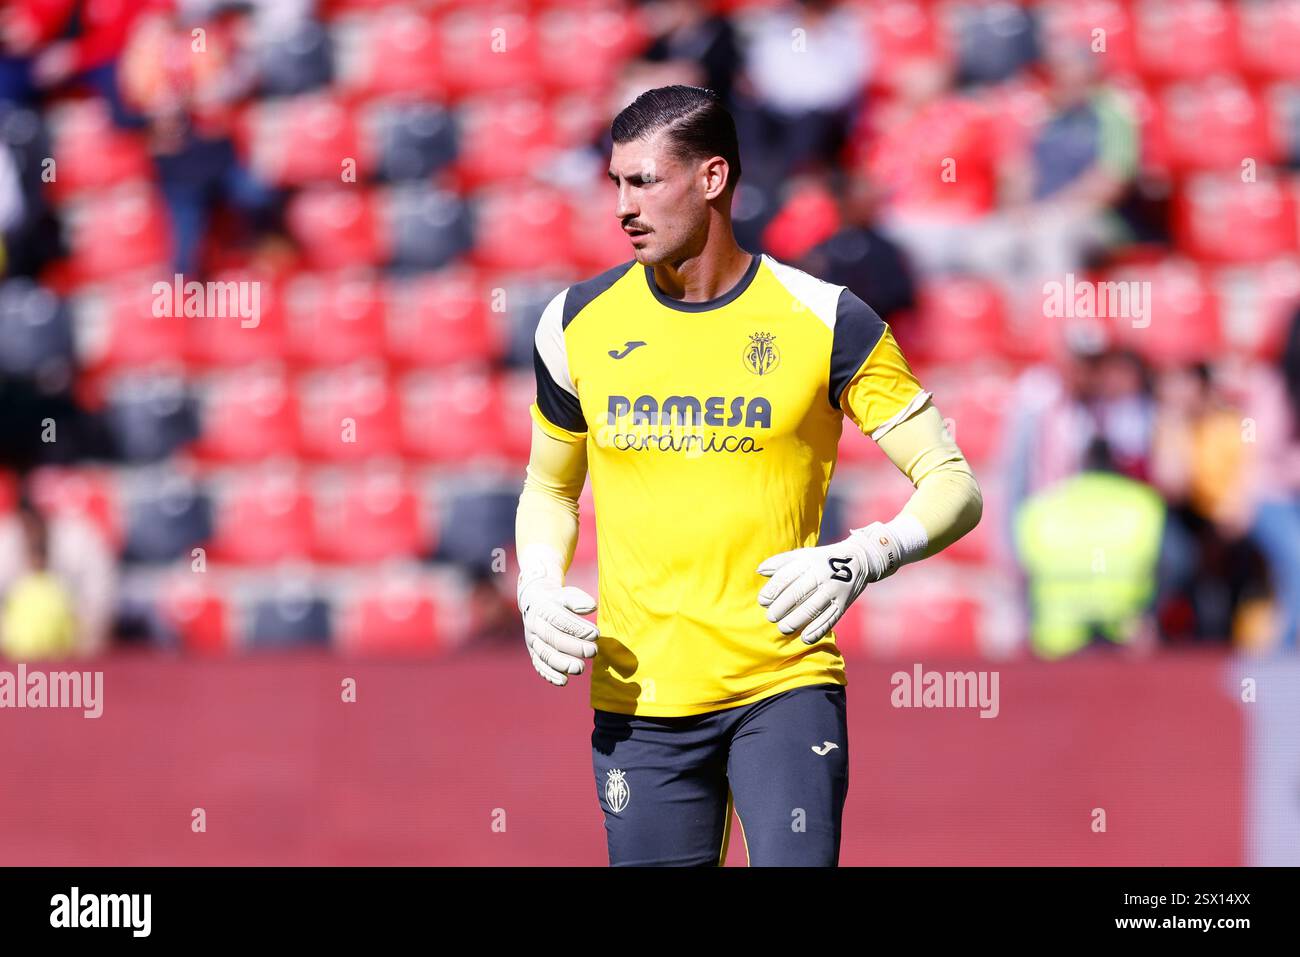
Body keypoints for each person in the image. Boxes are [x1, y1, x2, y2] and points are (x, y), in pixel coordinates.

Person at [513, 86, 982, 866]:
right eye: (616, 184)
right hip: (639, 696)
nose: (625, 206)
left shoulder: (828, 317)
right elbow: (550, 488)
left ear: (712, 178)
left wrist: (865, 553)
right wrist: (535, 583)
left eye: (646, 181)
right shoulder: (573, 322)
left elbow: (953, 482)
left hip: (782, 682)